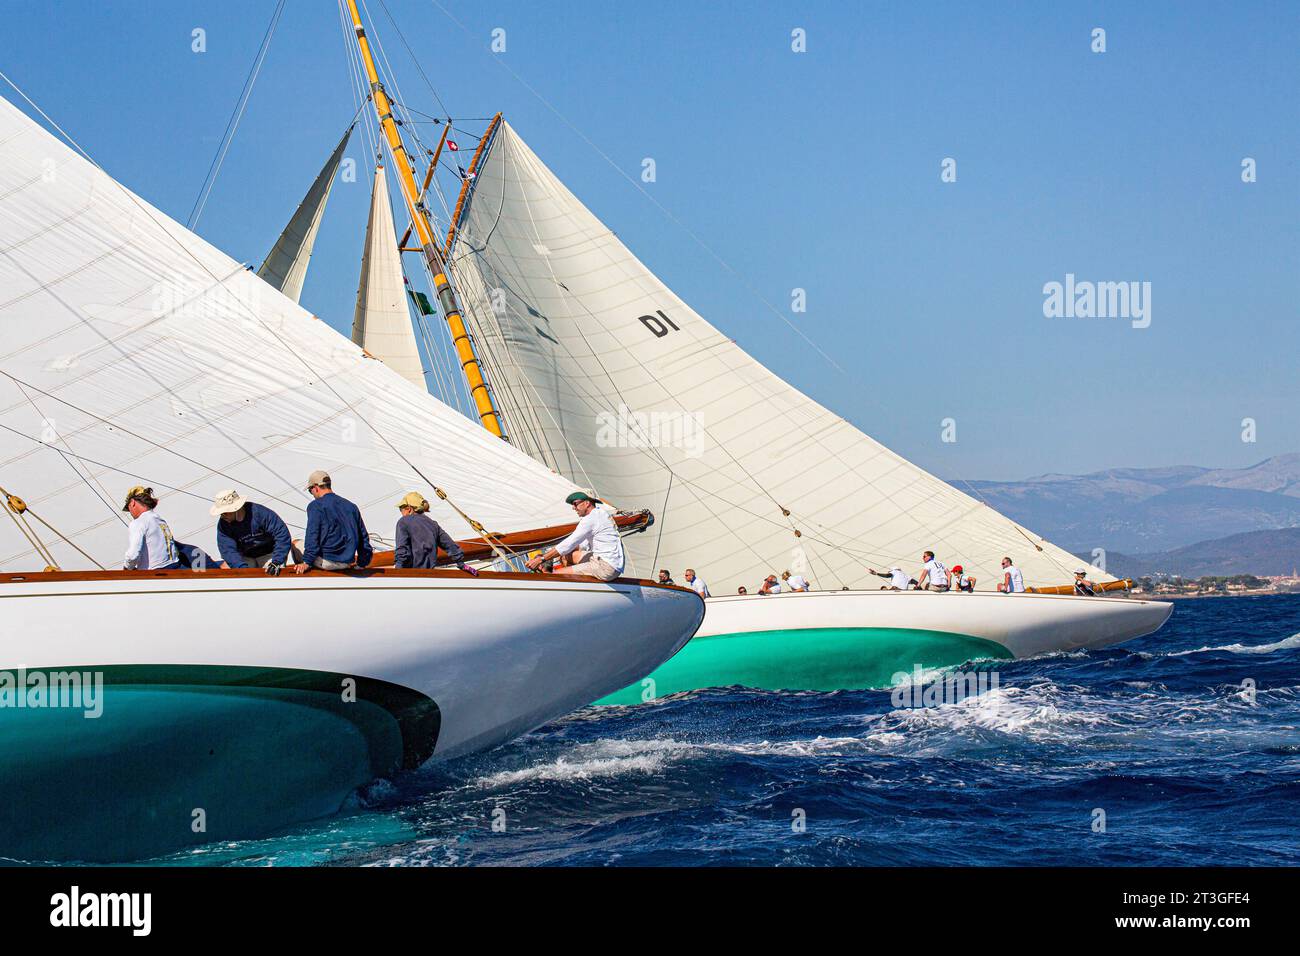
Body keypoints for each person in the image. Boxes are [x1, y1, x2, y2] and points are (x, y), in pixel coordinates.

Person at [525, 491, 625, 581]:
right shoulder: (600, 514)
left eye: (575, 504)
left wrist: (541, 559)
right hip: (610, 563)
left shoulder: (590, 519)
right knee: (567, 556)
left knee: (556, 574)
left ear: (587, 503)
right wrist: (551, 556)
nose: (573, 507)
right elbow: (580, 545)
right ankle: (573, 575)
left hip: (605, 567)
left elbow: (569, 543)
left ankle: (555, 578)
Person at [294, 470, 373, 574]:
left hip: (327, 562)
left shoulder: (315, 506)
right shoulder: (351, 506)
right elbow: (363, 538)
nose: (312, 493)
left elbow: (312, 536)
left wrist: (307, 562)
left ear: (316, 488)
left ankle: (307, 573)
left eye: (310, 490)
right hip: (346, 563)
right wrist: (362, 564)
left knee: (295, 543)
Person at [211, 488, 292, 575]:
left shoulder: (260, 513)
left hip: (270, 554)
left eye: (225, 513)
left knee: (273, 575)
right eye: (221, 514)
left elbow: (281, 535)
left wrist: (277, 561)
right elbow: (227, 550)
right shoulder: (224, 525)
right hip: (245, 557)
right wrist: (241, 569)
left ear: (236, 509)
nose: (223, 516)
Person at [394, 491, 470, 571]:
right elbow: (450, 545)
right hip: (429, 573)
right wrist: (461, 564)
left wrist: (398, 569)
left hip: (411, 573)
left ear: (409, 509)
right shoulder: (433, 523)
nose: (401, 513)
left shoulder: (403, 521)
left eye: (401, 510)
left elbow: (402, 549)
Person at [122, 486, 180, 570]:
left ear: (132, 502)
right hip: (175, 569)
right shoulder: (160, 520)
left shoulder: (138, 522)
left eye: (128, 508)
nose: (130, 512)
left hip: (155, 574)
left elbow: (132, 556)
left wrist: (126, 568)